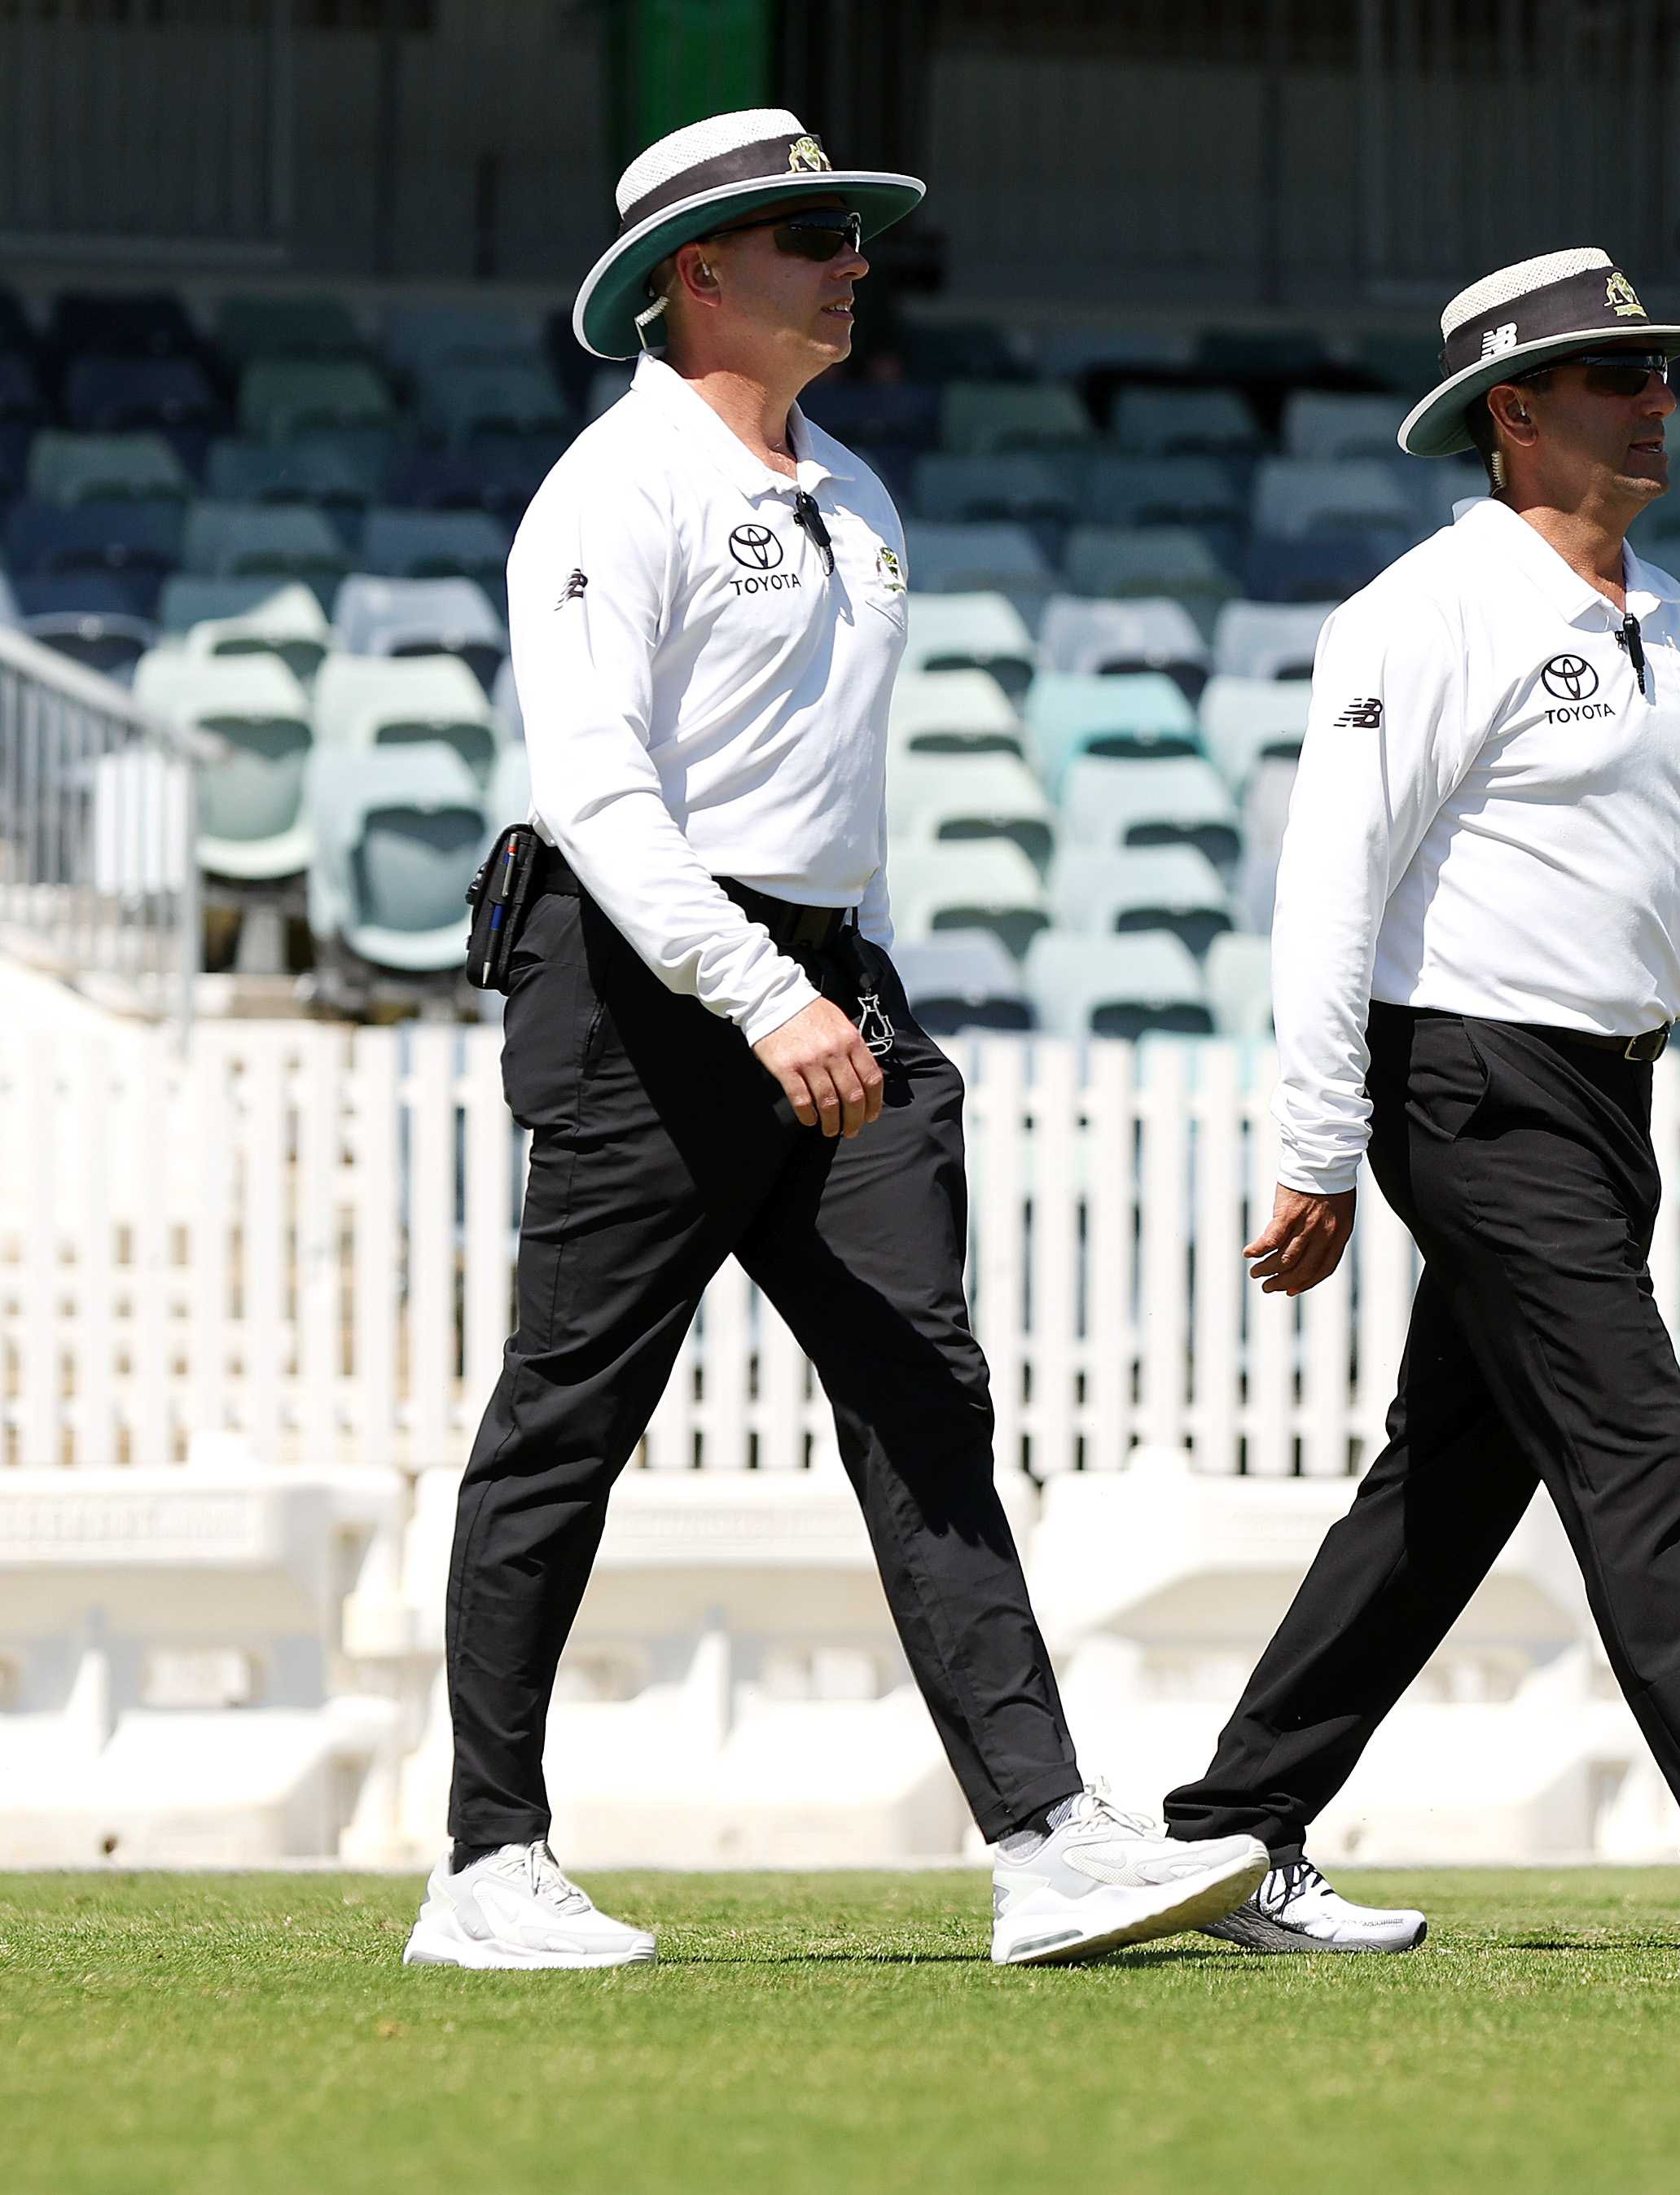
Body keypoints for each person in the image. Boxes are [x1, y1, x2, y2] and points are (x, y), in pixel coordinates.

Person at [408, 108, 1270, 1973]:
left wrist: (833, 979)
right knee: (566, 1419)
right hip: (649, 991)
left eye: (849, 236)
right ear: (698, 274)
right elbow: (600, 797)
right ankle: (483, 1863)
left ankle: (1043, 1838)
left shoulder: (859, 495)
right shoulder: (610, 490)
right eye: (812, 238)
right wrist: (760, 988)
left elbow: (819, 801)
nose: (852, 264)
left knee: (924, 1397)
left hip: (823, 987)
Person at [1163, 247, 1680, 1960]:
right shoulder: (1420, 613)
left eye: (1658, 372)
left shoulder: (1665, 617)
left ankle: (1230, 1829)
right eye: (1618, 376)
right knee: (1632, 1440)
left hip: (1605, 1099)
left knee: (1442, 1495)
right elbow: (1329, 890)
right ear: (1513, 413)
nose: (1654, 401)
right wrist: (1316, 1147)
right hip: (1473, 1085)